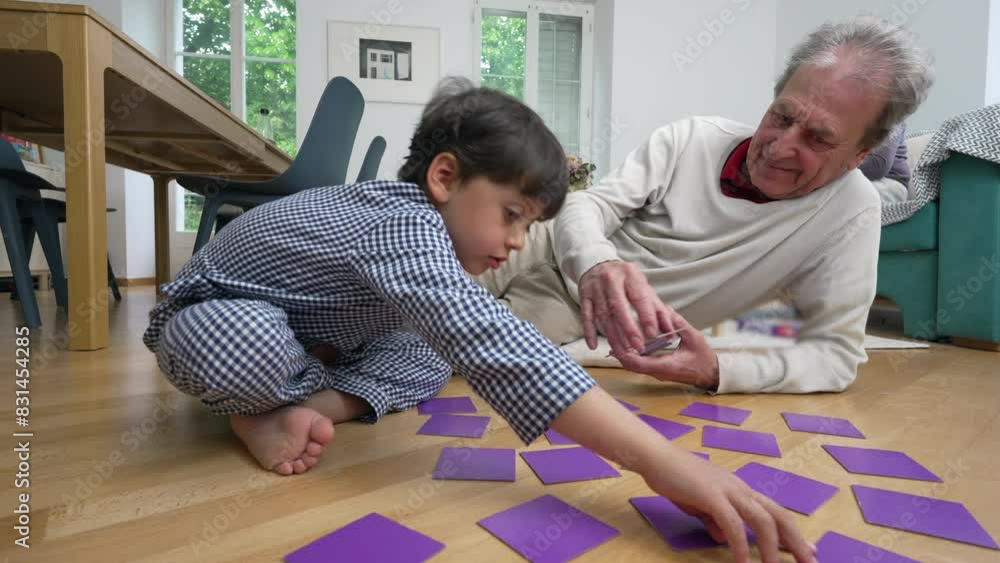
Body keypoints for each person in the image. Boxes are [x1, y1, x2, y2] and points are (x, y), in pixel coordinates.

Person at [143, 78, 816, 563]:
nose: (521, 240)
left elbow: (466, 335)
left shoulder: (433, 238)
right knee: (243, 345)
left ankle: (306, 398)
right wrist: (663, 463)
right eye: (513, 215)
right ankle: (260, 404)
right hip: (214, 313)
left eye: (532, 224)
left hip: (324, 339)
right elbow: (501, 347)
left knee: (431, 353)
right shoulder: (401, 223)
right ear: (443, 178)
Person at [478, 16, 934, 394]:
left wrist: (717, 369)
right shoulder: (693, 137)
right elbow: (587, 206)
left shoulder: (851, 213)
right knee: (414, 267)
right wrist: (599, 263)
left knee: (448, 342)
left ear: (860, 154)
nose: (779, 147)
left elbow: (834, 356)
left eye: (818, 138)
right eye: (783, 116)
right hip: (536, 239)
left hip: (572, 307)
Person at [859, 122, 912, 203]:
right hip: (860, 178)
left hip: (890, 182)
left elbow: (878, 165)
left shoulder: (893, 118)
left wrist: (840, 168)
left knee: (844, 196)